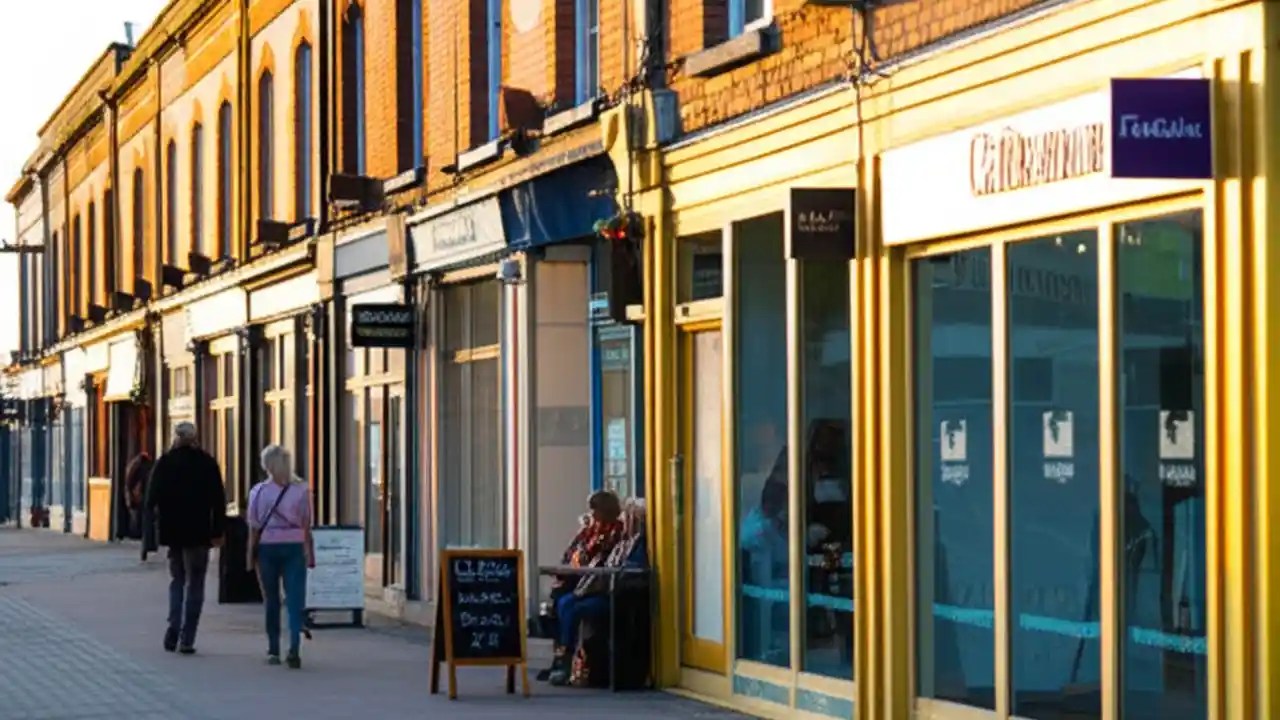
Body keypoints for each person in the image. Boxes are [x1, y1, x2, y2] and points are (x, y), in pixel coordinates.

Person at [145, 421, 227, 655]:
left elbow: (150, 501)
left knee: (177, 580)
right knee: (196, 583)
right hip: (199, 534)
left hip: (174, 534)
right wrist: (218, 531)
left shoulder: (165, 463)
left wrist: (153, 533)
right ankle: (188, 637)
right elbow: (218, 500)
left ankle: (174, 626)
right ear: (195, 438)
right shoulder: (207, 463)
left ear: (176, 437)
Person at [551, 497, 649, 687]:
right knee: (563, 602)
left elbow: (618, 566)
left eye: (596, 511)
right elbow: (573, 555)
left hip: (610, 593)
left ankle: (566, 659)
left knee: (573, 607)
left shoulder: (619, 535)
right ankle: (563, 657)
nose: (593, 515)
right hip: (592, 585)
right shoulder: (594, 532)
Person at [246, 445, 314, 669]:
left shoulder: (259, 492)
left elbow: (254, 525)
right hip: (294, 546)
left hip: (267, 547)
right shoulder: (302, 490)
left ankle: (273, 648)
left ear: (267, 465)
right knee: (295, 599)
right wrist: (309, 552)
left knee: (271, 599)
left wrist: (250, 554)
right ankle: (294, 646)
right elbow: (306, 523)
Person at [125, 451, 155, 559]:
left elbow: (129, 483)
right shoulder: (144, 467)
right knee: (145, 522)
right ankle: (146, 545)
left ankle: (146, 545)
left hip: (141, 498)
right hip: (143, 498)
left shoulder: (135, 466)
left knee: (143, 522)